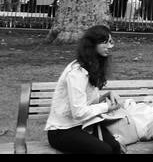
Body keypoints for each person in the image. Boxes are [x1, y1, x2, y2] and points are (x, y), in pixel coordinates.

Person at [45, 24, 125, 153]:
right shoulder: (77, 72)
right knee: (104, 151)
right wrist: (107, 107)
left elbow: (87, 101)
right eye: (105, 42)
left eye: (111, 42)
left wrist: (107, 95)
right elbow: (79, 112)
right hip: (62, 131)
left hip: (84, 125)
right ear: (92, 45)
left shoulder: (92, 67)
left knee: (115, 147)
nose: (110, 46)